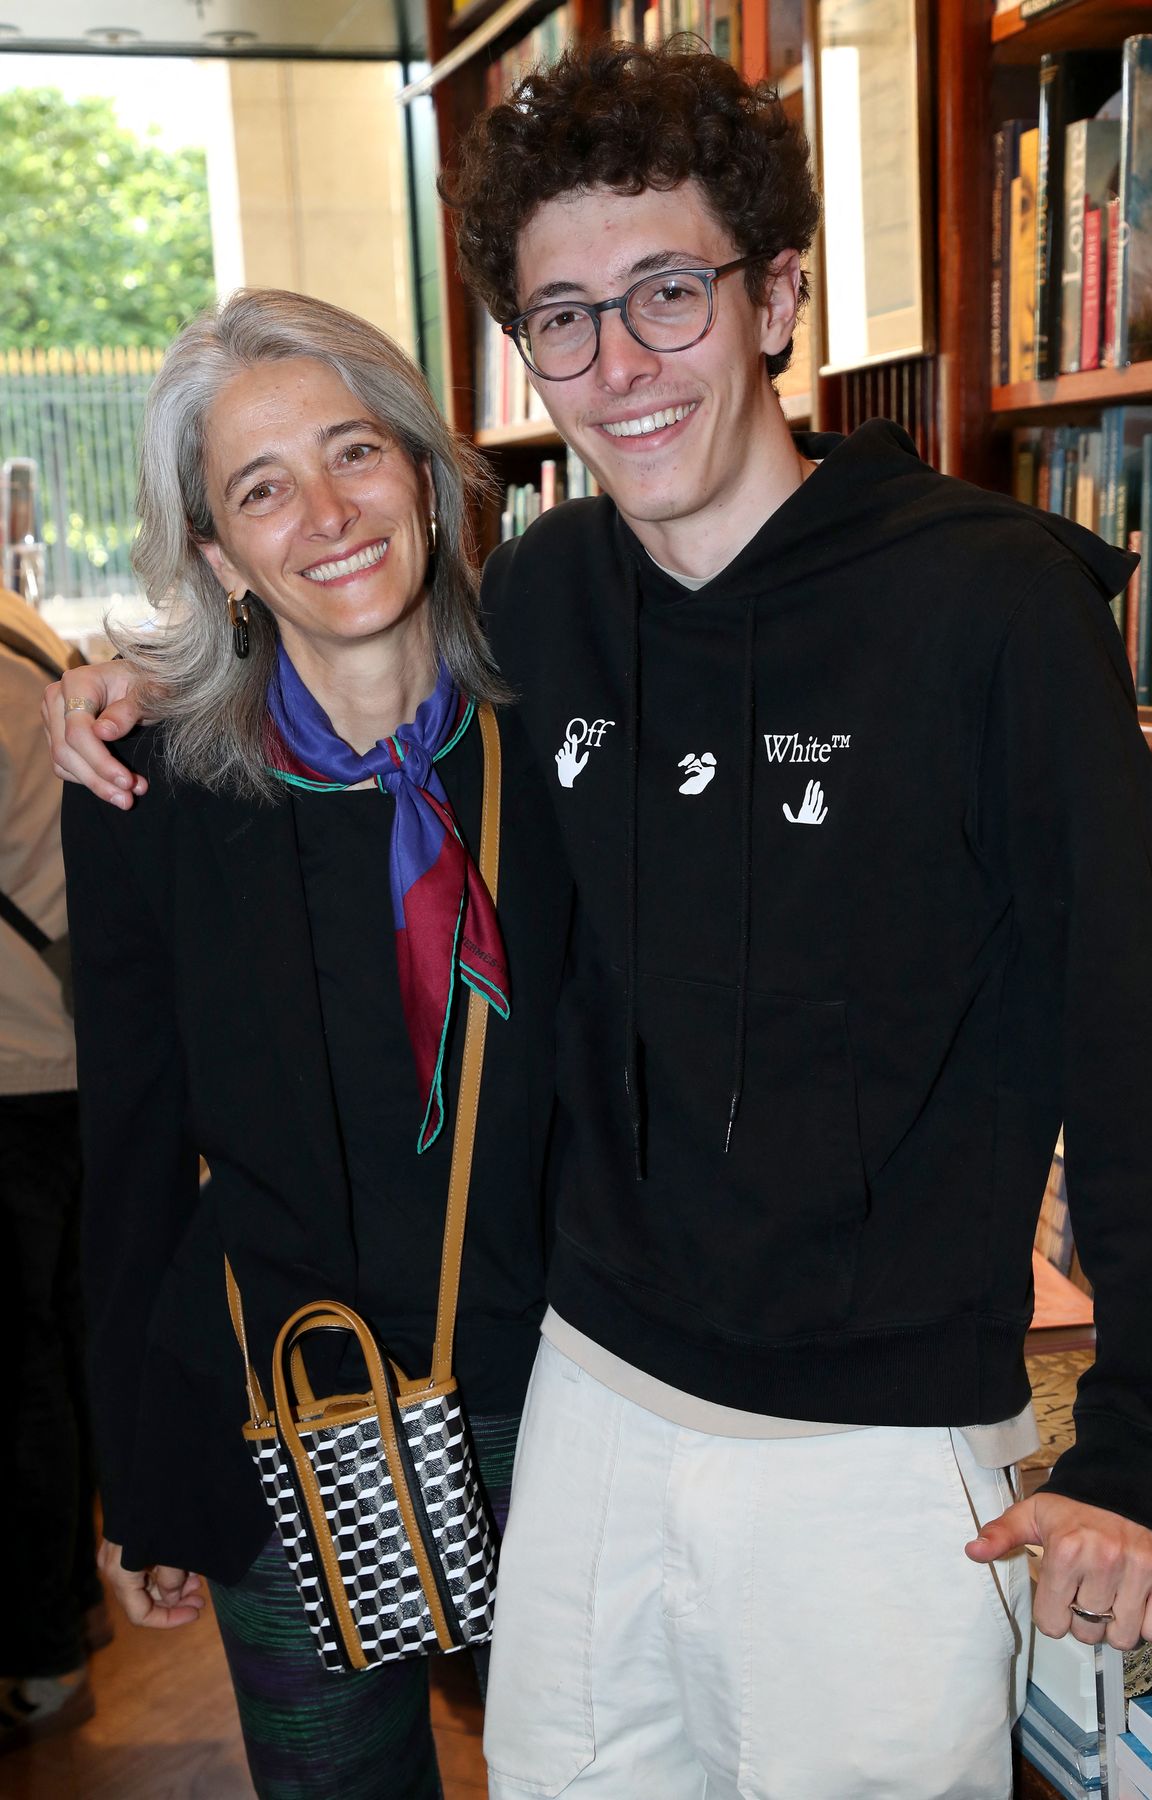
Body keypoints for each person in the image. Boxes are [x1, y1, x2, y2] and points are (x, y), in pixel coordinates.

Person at [45, 40, 1152, 1800]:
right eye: (564, 316)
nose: (620, 362)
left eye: (670, 291)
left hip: (878, 1451)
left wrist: (1147, 1442)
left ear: (780, 296)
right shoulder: (558, 605)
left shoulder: (987, 608)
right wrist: (119, 686)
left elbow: (1144, 1043)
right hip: (590, 1408)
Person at [53, 288, 570, 1800]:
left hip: (568, 1401)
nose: (326, 514)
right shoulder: (150, 786)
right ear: (216, 553)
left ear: (424, 469)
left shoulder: (560, 730)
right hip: (303, 1406)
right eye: (260, 488)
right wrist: (136, 1474)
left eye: (356, 453)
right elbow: (131, 1147)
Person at [0, 585, 105, 1750]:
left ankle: (36, 1645)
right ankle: (70, 1605)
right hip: (72, 1055)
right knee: (60, 1348)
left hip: (11, 1063)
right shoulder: (27, 626)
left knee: (16, 1374)